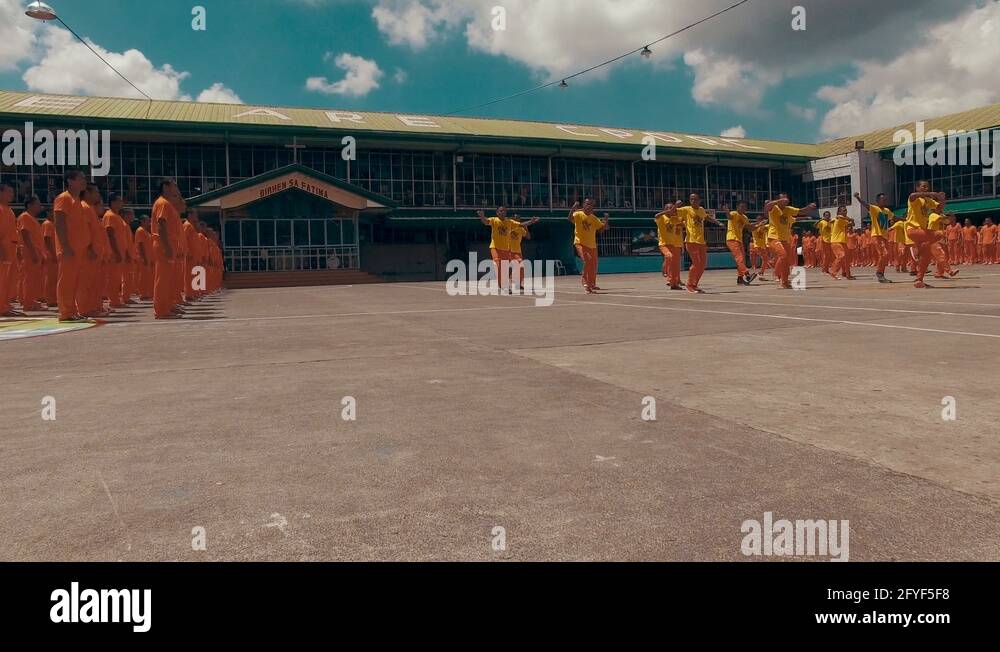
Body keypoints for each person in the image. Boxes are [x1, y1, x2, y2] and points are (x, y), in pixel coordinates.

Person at [53, 170, 94, 322]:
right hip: (69, 249)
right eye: (81, 179)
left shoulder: (76, 200)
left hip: (78, 249)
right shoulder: (64, 198)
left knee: (74, 282)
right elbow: (60, 223)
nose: (85, 181)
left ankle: (72, 311)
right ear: (70, 181)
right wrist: (65, 246)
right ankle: (66, 312)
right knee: (67, 281)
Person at [764, 193, 816, 289]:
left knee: (787, 260)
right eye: (783, 198)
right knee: (783, 255)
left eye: (786, 197)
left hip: (785, 239)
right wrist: (778, 201)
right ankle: (777, 273)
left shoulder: (788, 209)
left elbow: (800, 211)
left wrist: (809, 207)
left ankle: (784, 281)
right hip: (774, 237)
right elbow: (767, 206)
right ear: (778, 200)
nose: (786, 199)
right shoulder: (774, 208)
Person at [675, 193, 721, 294]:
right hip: (691, 241)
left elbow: (707, 217)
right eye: (691, 199)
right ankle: (689, 284)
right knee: (696, 263)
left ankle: (695, 284)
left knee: (702, 265)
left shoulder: (701, 209)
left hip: (701, 241)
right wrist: (676, 205)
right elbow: (673, 211)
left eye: (695, 199)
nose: (693, 201)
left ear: (699, 200)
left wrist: (717, 222)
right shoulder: (686, 209)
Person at [152, 179, 184, 319]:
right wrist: (167, 247)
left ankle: (168, 306)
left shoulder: (168, 204)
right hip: (165, 246)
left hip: (170, 245)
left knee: (169, 280)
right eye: (174, 185)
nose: (177, 188)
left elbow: (183, 207)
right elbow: (161, 226)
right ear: (166, 187)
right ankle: (161, 311)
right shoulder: (163, 203)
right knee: (163, 280)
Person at [905, 180, 947, 289]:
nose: (926, 189)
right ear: (917, 188)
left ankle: (919, 280)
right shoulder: (914, 199)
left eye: (927, 187)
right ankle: (916, 250)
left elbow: (939, 208)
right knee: (939, 234)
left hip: (923, 233)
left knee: (927, 256)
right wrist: (930, 194)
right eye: (923, 187)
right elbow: (912, 195)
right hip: (913, 230)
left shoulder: (928, 201)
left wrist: (942, 199)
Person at [568, 199, 609, 294]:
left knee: (593, 265)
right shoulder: (578, 214)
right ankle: (585, 282)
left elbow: (601, 230)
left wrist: (606, 220)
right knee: (587, 260)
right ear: (584, 205)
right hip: (580, 243)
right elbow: (569, 219)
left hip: (592, 245)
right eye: (587, 204)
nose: (589, 206)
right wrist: (573, 208)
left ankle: (591, 284)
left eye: (591, 204)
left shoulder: (593, 218)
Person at [16, 195, 46, 312]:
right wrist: (33, 252)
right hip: (29, 253)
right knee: (29, 278)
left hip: (36, 252)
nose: (40, 207)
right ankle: (28, 303)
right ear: (29, 205)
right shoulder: (25, 217)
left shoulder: (32, 218)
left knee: (34, 279)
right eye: (37, 204)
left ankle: (32, 300)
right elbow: (25, 235)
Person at [854, 192, 893, 283]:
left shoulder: (887, 211)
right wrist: (858, 197)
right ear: (878, 201)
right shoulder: (874, 208)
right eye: (883, 200)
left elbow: (894, 217)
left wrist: (906, 220)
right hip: (877, 235)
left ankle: (881, 273)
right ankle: (879, 273)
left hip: (884, 236)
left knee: (885, 256)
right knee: (884, 254)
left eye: (886, 200)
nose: (885, 201)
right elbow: (865, 205)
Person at [103, 193, 131, 308]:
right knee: (113, 278)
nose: (121, 203)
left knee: (117, 278)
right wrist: (116, 251)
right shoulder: (110, 215)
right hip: (113, 252)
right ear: (113, 202)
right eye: (119, 201)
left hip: (119, 252)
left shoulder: (117, 216)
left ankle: (116, 299)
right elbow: (110, 234)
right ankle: (114, 300)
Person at [654, 203, 685, 289]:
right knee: (668, 256)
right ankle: (664, 270)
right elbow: (656, 216)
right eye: (669, 208)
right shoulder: (662, 218)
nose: (671, 210)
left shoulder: (674, 219)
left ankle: (674, 284)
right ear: (665, 209)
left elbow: (683, 223)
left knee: (675, 265)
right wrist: (668, 210)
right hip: (664, 243)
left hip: (674, 244)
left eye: (672, 208)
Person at [726, 201, 758, 285]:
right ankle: (747, 275)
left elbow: (750, 228)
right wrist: (726, 211)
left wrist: (759, 224)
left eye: (745, 207)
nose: (744, 208)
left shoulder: (744, 217)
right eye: (742, 207)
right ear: (737, 207)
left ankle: (740, 279)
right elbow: (729, 216)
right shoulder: (734, 213)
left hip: (739, 240)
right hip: (731, 238)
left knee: (742, 260)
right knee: (739, 258)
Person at [0, 182, 20, 317]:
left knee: (7, 280)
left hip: (11, 249)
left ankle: (5, 305)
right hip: (3, 249)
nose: (11, 194)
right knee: (2, 280)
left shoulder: (9, 210)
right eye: (9, 191)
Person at [829, 206, 854, 280]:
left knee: (846, 259)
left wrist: (851, 221)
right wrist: (850, 219)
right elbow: (840, 217)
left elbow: (851, 224)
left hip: (843, 241)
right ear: (839, 212)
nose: (845, 212)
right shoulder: (838, 218)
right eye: (843, 211)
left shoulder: (844, 220)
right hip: (836, 241)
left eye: (845, 210)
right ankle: (834, 272)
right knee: (841, 256)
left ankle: (847, 274)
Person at [134, 215, 154, 300]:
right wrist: (144, 257)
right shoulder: (140, 230)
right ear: (142, 221)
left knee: (147, 276)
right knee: (143, 276)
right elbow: (140, 244)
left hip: (148, 257)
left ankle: (147, 293)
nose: (149, 223)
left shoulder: (146, 231)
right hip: (143, 257)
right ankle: (143, 294)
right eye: (147, 221)